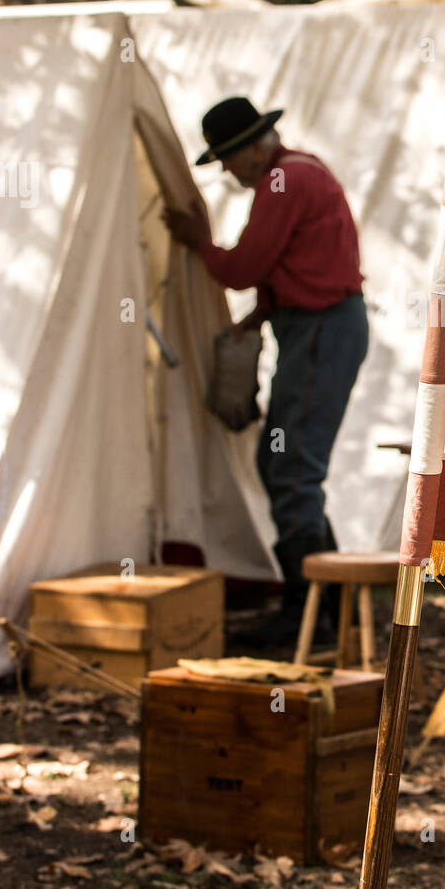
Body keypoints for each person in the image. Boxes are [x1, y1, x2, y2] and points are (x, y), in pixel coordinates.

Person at [164, 96, 369, 641]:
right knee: (288, 462)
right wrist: (260, 314)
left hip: (320, 330)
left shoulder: (284, 182)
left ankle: (307, 613)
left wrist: (198, 243)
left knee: (291, 465)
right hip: (318, 327)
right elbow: (300, 262)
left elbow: (245, 266)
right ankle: (327, 604)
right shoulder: (298, 172)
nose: (228, 170)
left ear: (256, 147)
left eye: (229, 157)